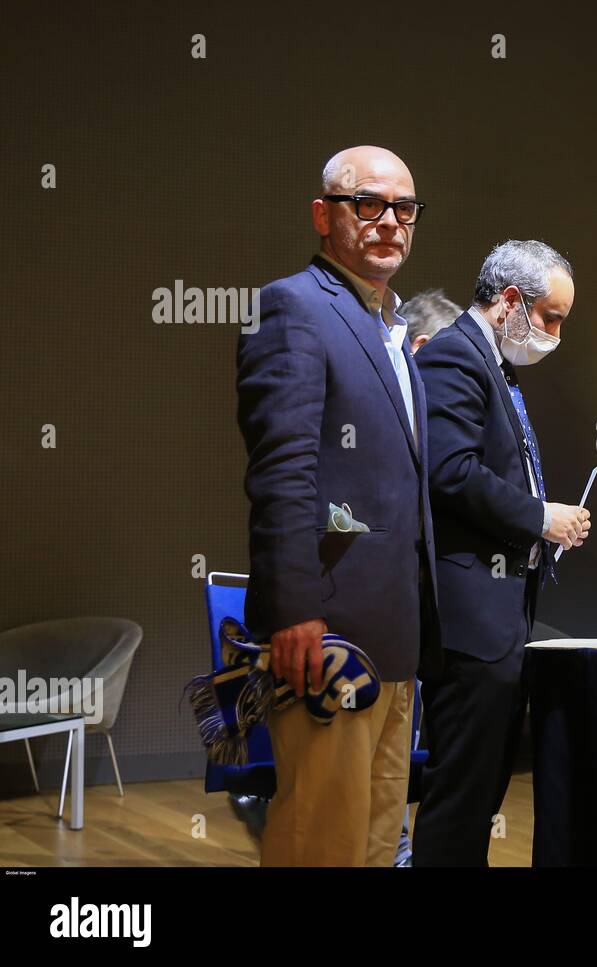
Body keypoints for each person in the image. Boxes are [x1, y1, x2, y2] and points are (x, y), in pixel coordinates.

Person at [235, 145, 439, 866]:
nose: (390, 220)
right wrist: (294, 610)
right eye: (368, 204)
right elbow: (283, 469)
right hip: (327, 636)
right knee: (323, 837)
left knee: (378, 835)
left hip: (394, 636)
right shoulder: (293, 305)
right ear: (324, 215)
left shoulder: (392, 330)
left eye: (404, 208)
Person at [413, 239, 589, 866]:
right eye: (551, 317)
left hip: (501, 609)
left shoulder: (494, 363)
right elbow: (450, 471)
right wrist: (541, 516)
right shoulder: (455, 357)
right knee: (462, 792)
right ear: (510, 301)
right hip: (469, 617)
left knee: (481, 792)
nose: (556, 334)